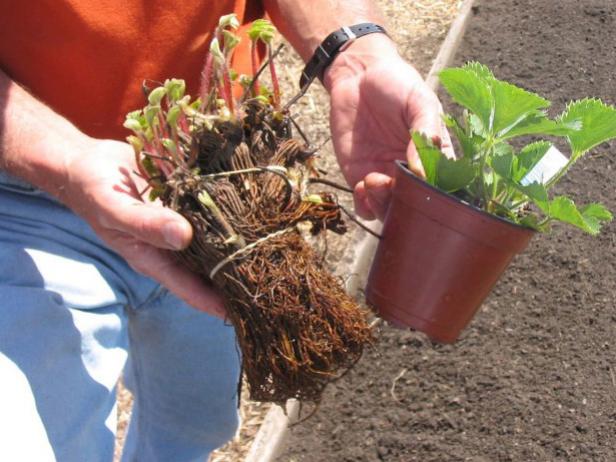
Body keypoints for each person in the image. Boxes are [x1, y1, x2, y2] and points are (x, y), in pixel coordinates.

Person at [0, 0, 452, 460]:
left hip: (223, 184)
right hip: (23, 202)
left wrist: (356, 54)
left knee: (198, 421)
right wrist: (62, 157)